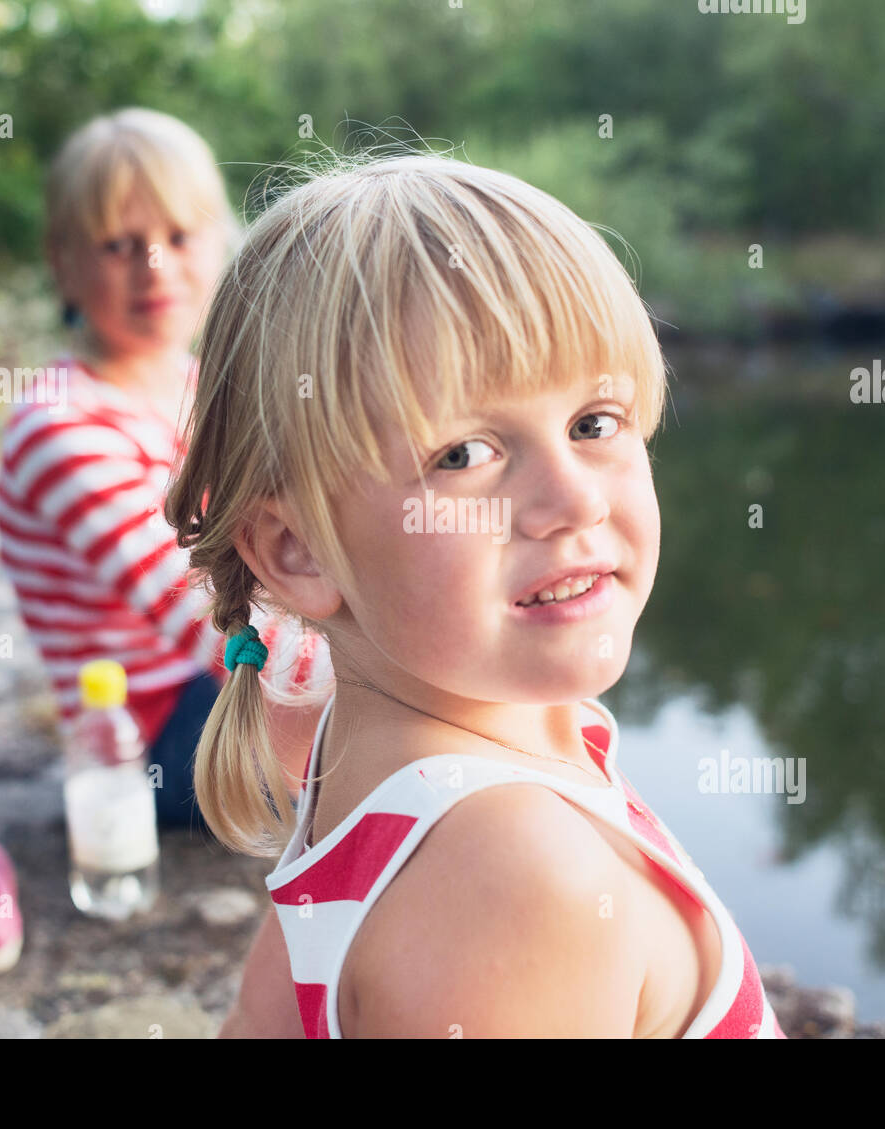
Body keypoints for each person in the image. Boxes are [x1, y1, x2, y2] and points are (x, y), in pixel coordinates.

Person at [162, 143, 789, 1039]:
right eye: (462, 455)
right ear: (298, 549)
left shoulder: (363, 757)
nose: (573, 498)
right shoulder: (522, 879)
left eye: (593, 423)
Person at [0, 109, 334, 838]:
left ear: (218, 241)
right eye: (119, 245)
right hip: (164, 734)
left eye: (179, 237)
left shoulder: (200, 382)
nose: (155, 267)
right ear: (64, 262)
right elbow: (212, 618)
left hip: (234, 671)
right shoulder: (61, 427)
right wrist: (400, 688)